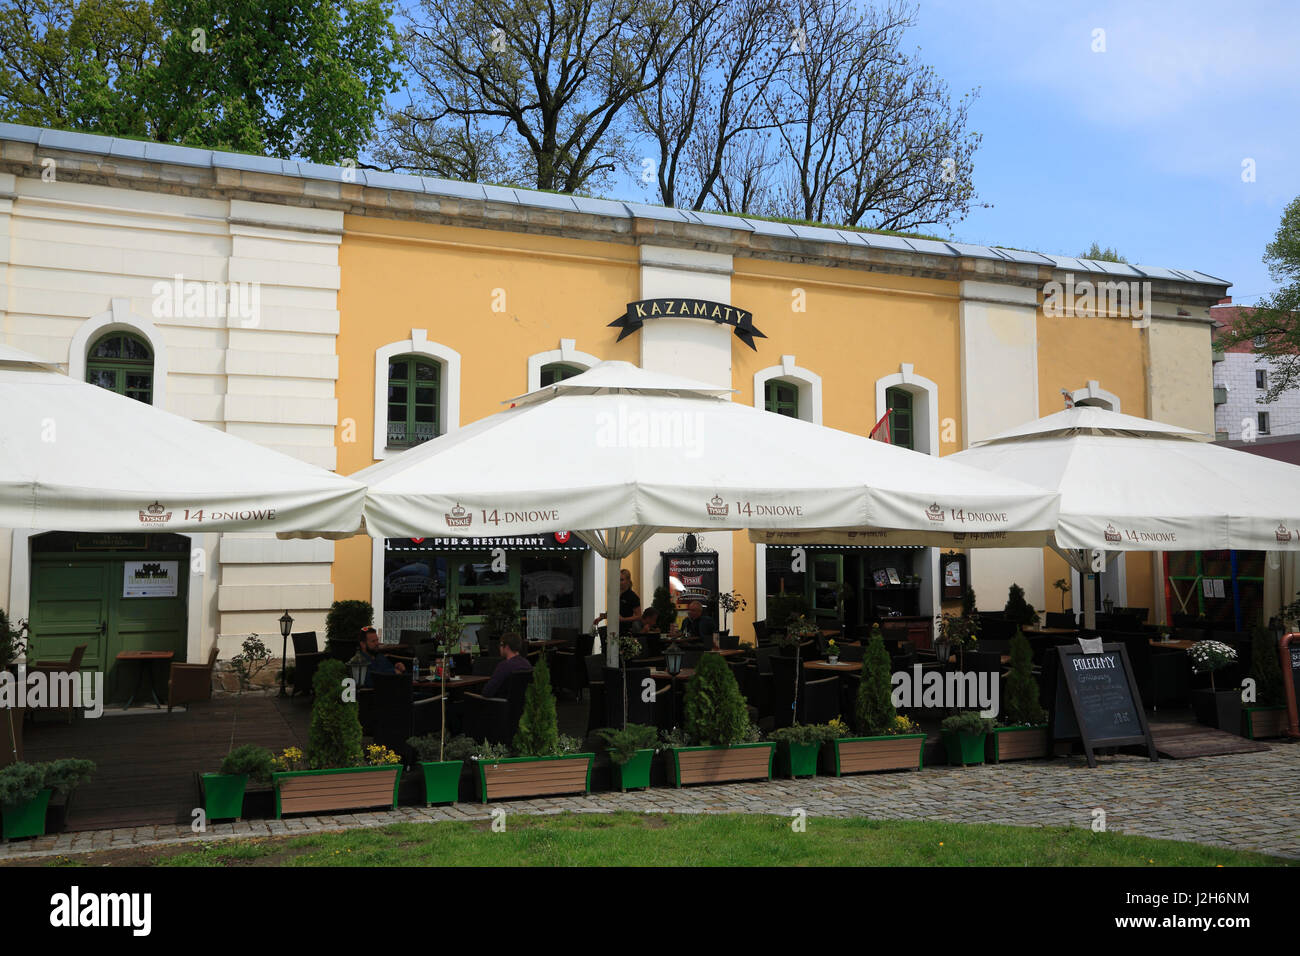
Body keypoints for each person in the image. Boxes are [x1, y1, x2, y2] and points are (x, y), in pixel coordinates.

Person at [483, 632, 533, 697]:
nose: (499, 648)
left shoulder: (504, 666)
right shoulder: (527, 663)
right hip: (522, 705)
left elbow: (487, 692)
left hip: (501, 704)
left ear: (506, 647)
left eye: (501, 645)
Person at [592, 568, 641, 634]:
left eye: (622, 580)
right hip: (612, 630)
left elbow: (638, 616)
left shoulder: (633, 597)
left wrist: (623, 619)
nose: (619, 582)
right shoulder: (614, 595)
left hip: (626, 631)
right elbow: (612, 612)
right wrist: (600, 618)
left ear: (628, 581)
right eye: (618, 579)